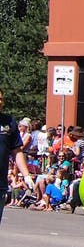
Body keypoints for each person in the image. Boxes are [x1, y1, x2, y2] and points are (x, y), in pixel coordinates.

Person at [0, 88, 36, 224]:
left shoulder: (8, 122)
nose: (0, 102)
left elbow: (17, 151)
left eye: (1, 99)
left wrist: (26, 175)